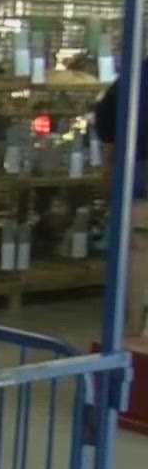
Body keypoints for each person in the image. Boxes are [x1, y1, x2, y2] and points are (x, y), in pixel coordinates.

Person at [95, 60, 148, 334]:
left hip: (134, 163)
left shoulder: (138, 71)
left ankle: (134, 324)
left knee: (139, 246)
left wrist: (109, 162)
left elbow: (104, 117)